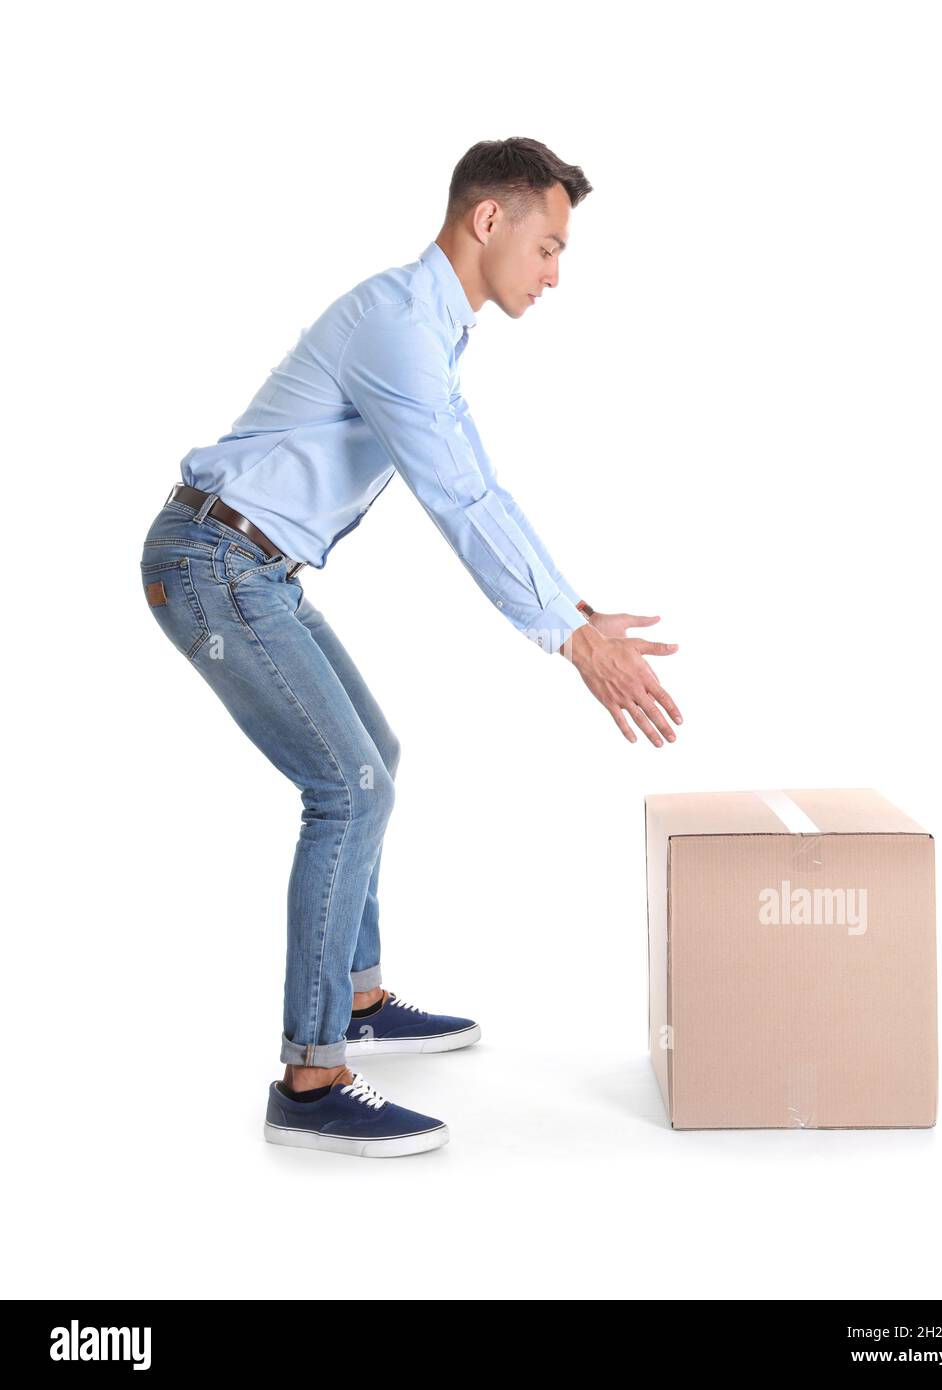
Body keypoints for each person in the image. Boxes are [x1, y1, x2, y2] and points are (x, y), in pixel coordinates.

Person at [140, 136, 682, 1160]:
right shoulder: (395, 324)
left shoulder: (427, 331)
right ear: (490, 219)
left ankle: (356, 996)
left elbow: (484, 486)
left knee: (372, 758)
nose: (556, 274)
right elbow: (457, 499)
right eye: (550, 246)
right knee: (348, 785)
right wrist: (566, 642)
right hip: (213, 560)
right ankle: (310, 1077)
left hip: (250, 567)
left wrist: (572, 608)